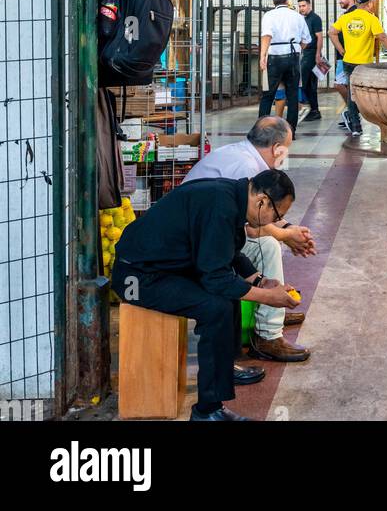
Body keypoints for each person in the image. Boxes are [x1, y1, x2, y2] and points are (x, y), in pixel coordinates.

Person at [112, 170, 299, 421]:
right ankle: (207, 411)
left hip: (163, 269)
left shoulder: (231, 197)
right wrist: (267, 298)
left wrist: (261, 281)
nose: (274, 221)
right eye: (278, 216)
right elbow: (216, 279)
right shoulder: (220, 205)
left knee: (228, 294)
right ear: (262, 201)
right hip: (135, 278)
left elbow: (227, 254)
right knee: (215, 308)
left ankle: (224, 368)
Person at [183, 117, 315, 362]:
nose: (286, 155)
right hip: (196, 244)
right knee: (267, 245)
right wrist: (286, 236)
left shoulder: (242, 155)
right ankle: (268, 335)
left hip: (205, 235)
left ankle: (270, 309)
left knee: (269, 242)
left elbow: (263, 214)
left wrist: (289, 228)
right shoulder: (245, 167)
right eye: (286, 148)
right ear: (277, 148)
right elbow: (253, 228)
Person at [328, 0, 387, 138]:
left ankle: (355, 126)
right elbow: (383, 38)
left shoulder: (346, 17)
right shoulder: (371, 18)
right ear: (369, 3)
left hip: (348, 61)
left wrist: (341, 50)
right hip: (364, 64)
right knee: (364, 94)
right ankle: (363, 123)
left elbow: (331, 32)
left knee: (352, 94)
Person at [257, 0, 311, 130]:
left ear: (274, 1)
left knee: (268, 94)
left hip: (274, 57)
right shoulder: (297, 16)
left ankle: (262, 128)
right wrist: (297, 48)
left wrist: (262, 56)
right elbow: (306, 40)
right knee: (292, 95)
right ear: (287, 1)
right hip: (293, 57)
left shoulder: (269, 15)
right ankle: (291, 131)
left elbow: (267, 36)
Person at [297, 0, 326, 123]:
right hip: (306, 53)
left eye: (303, 6)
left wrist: (317, 55)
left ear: (309, 5)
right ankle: (314, 111)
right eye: (299, 6)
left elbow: (319, 37)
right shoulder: (303, 19)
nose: (301, 8)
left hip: (312, 54)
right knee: (309, 85)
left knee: (305, 83)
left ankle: (310, 109)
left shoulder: (315, 18)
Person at [332, 0, 357, 130]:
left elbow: (332, 33)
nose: (339, 1)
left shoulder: (350, 15)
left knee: (340, 85)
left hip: (347, 56)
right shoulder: (346, 15)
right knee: (346, 85)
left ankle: (353, 112)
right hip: (345, 56)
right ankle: (352, 113)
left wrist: (341, 50)